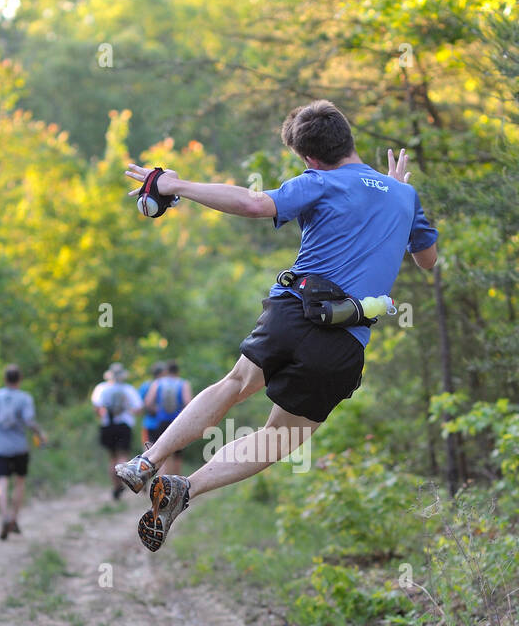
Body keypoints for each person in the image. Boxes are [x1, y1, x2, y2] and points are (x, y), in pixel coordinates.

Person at [117, 100, 438, 550]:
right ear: (348, 137)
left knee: (233, 385)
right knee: (278, 437)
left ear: (308, 158)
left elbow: (252, 203)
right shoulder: (404, 196)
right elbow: (427, 260)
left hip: (294, 311)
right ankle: (187, 488)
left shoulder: (318, 181)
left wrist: (176, 185)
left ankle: (148, 462)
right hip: (343, 341)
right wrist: (396, 196)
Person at [0, 364, 45, 540]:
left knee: (2, 482)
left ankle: (4, 515)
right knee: (19, 483)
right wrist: (40, 434)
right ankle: (14, 518)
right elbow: (29, 421)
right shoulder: (25, 398)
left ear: (5, 379)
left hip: (1, 447)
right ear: (19, 379)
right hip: (20, 446)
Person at [90, 363, 142, 499]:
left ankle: (116, 486)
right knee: (123, 455)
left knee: (112, 457)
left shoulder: (101, 388)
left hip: (108, 425)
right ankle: (124, 482)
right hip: (124, 425)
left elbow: (97, 408)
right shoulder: (128, 389)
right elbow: (138, 408)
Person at [142, 360, 192, 475]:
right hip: (178, 422)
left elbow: (148, 402)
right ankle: (176, 481)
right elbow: (188, 402)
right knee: (177, 454)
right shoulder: (183, 383)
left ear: (166, 371)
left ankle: (162, 482)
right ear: (178, 371)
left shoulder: (158, 383)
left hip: (161, 422)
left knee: (162, 453)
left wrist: (156, 410)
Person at [138, 362, 166, 450]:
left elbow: (139, 406)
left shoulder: (145, 386)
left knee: (148, 451)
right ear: (163, 373)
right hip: (166, 423)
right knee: (165, 452)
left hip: (149, 423)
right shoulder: (167, 385)